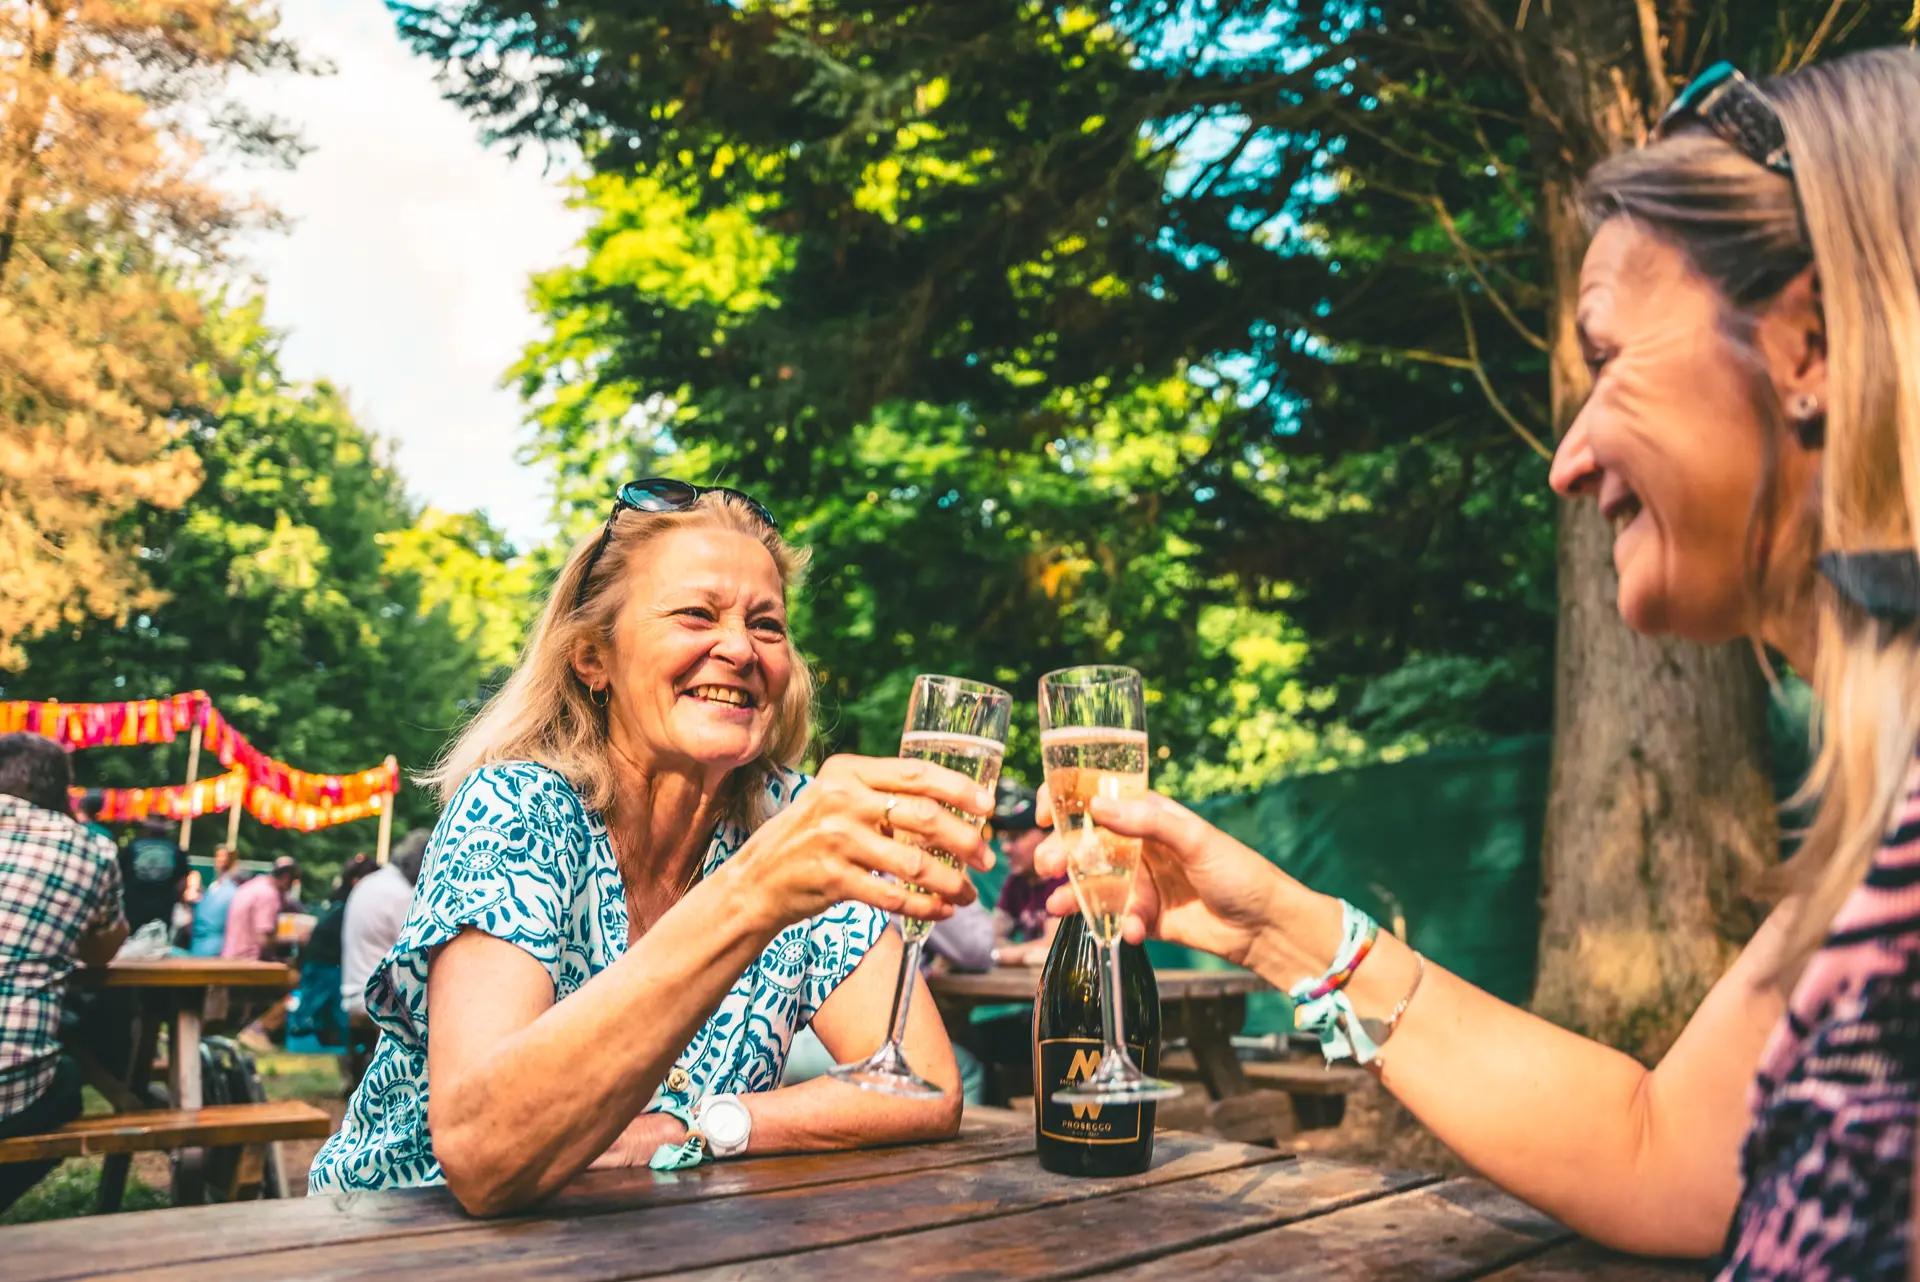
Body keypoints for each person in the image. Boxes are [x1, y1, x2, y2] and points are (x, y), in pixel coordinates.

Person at [1033, 50, 1920, 1278]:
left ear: (1809, 345)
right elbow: (1661, 1152)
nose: (1568, 459)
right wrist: (1275, 928)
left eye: (1608, 360)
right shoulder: (1885, 839)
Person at [307, 480, 993, 1214]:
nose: (739, 647)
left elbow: (920, 1083)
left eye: (767, 625)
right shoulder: (519, 808)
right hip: (399, 1241)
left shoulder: (786, 821)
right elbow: (482, 1155)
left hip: (646, 1245)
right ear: (592, 658)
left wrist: (699, 1127)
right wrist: (752, 895)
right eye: (697, 614)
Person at [0, 733, 127, 1213]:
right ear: (64, 791)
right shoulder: (88, 849)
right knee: (66, 1084)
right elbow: (102, 952)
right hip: (12, 1088)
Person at [288, 855, 380, 1048]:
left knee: (321, 1007)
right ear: (357, 880)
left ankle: (332, 1042)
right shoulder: (353, 903)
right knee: (318, 1007)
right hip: (328, 962)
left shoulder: (338, 900)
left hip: (319, 959)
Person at [339, 832, 428, 1023]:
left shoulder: (372, 882)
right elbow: (418, 951)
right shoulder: (400, 894)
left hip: (354, 990)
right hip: (376, 997)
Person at [986, 781, 1064, 967]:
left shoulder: (1065, 878)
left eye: (1016, 837)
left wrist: (998, 955)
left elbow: (1053, 948)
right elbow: (988, 938)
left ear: (1047, 835)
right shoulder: (1017, 881)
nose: (1005, 847)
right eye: (1004, 837)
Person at [118, 817, 188, 940]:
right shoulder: (175, 850)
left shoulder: (132, 847)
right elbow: (182, 883)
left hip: (134, 908)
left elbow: (118, 876)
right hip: (163, 909)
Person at [222, 856, 296, 962]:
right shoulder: (269, 895)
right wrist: (295, 937)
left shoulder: (253, 885)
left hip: (230, 958)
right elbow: (263, 939)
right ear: (286, 877)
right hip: (249, 964)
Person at [189, 845, 242, 958]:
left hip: (218, 947)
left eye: (224, 857)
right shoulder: (214, 886)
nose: (220, 861)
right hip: (201, 945)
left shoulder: (232, 889)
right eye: (218, 857)